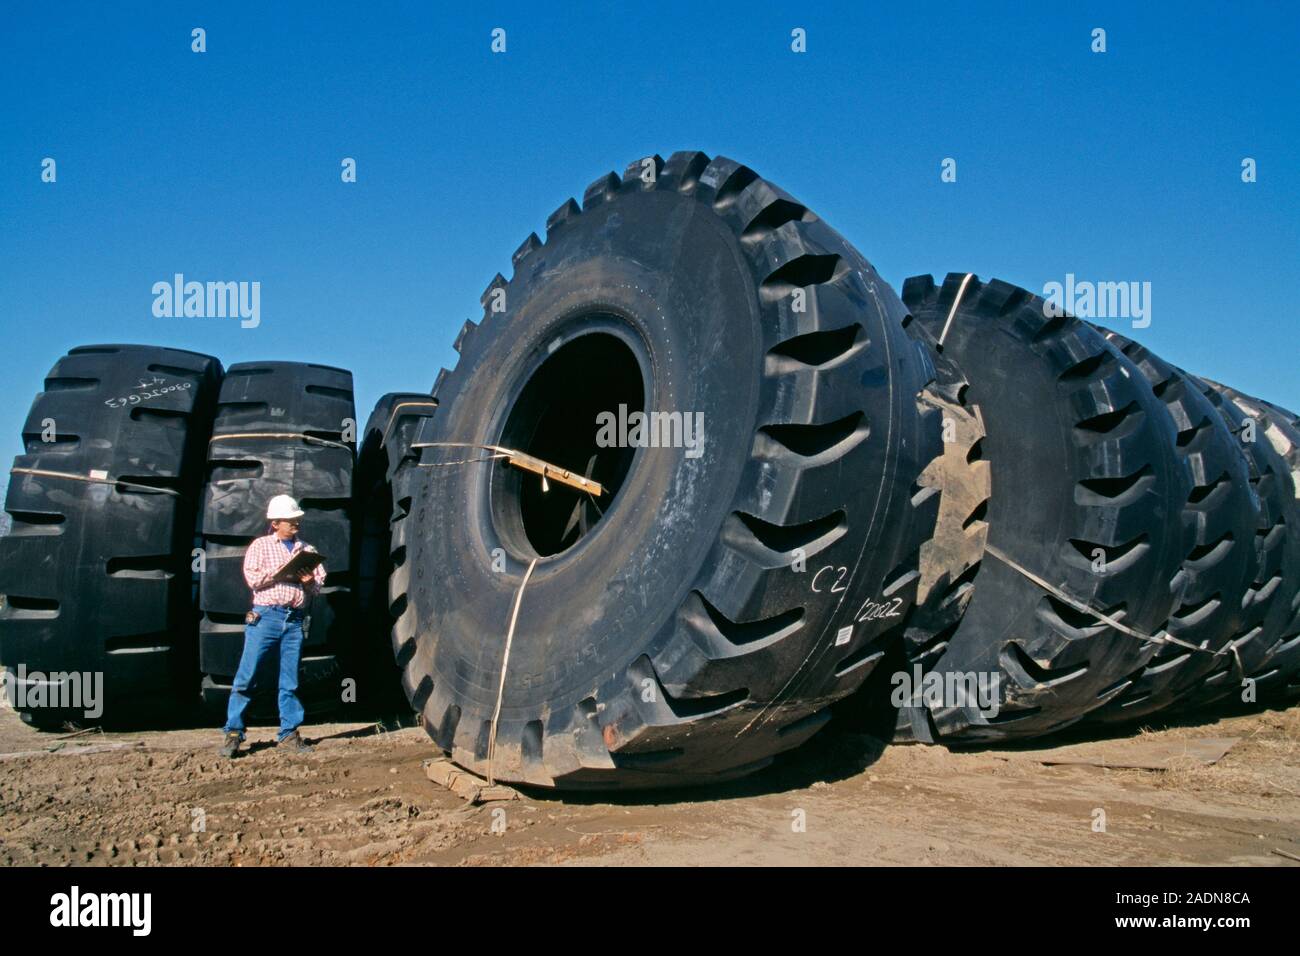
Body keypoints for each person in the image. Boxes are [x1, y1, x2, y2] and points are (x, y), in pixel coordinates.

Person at [218, 494, 327, 758]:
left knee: (290, 679)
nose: (296, 525)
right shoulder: (260, 546)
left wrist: (308, 580)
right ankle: (234, 732)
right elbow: (253, 579)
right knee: (247, 675)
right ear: (276, 522)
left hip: (294, 620)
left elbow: (318, 586)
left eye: (297, 520)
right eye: (291, 521)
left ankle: (289, 733)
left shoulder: (308, 551)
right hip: (266, 616)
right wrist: (282, 571)